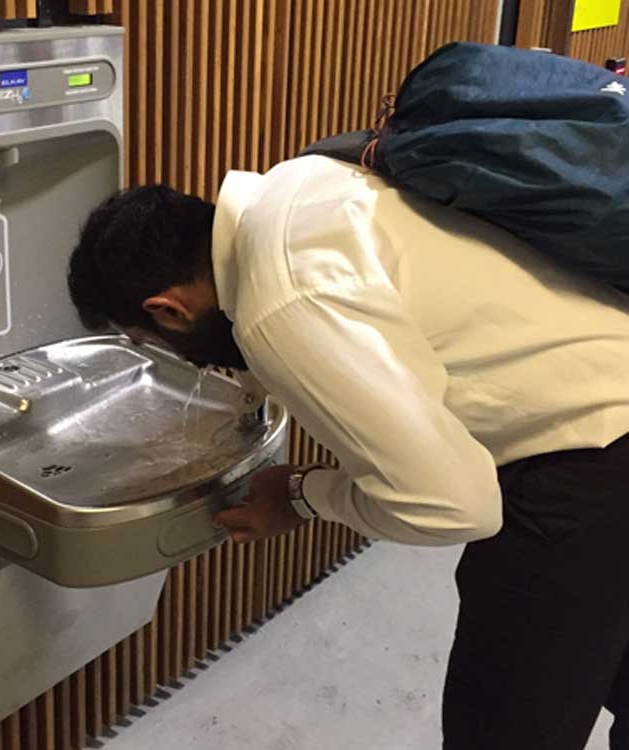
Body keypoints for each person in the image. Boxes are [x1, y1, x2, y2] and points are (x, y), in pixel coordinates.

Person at [66, 155, 629, 750]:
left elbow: (457, 507)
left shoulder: (278, 307)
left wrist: (303, 496)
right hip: (611, 372)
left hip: (590, 463)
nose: (182, 360)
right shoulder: (297, 185)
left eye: (151, 342)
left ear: (168, 310)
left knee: (503, 726)